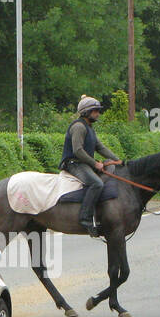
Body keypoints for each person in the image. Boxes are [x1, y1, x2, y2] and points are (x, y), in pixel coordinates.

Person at [60, 95, 122, 237]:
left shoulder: (90, 128)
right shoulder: (78, 127)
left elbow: (100, 147)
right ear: (86, 112)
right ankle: (85, 218)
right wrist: (95, 164)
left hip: (84, 164)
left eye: (98, 111)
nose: (98, 114)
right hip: (74, 164)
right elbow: (78, 150)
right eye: (95, 111)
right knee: (97, 184)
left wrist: (118, 160)